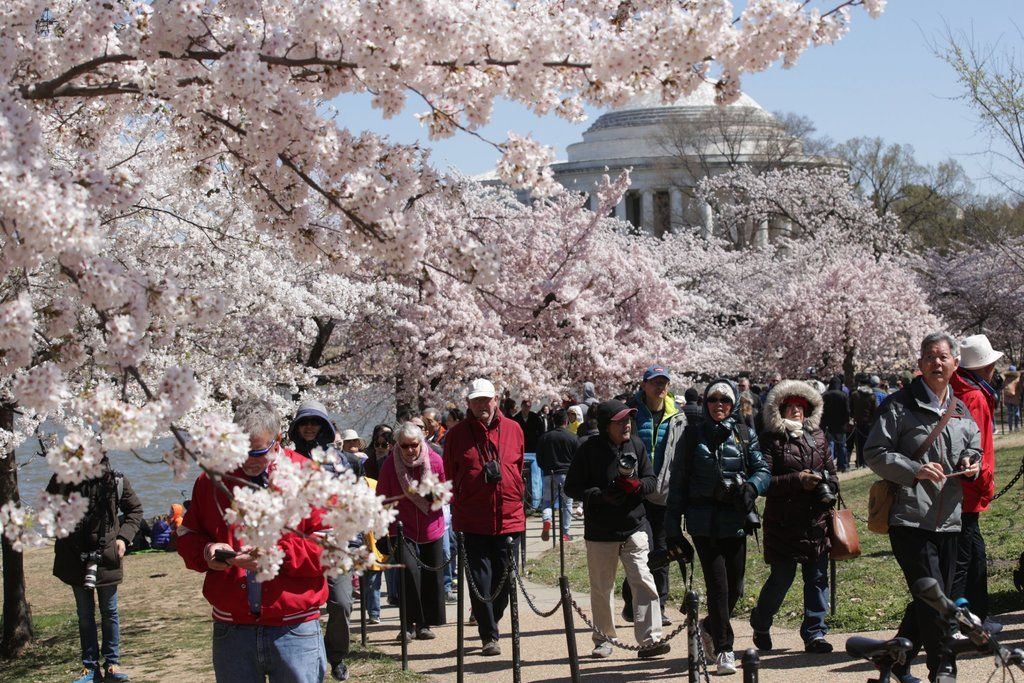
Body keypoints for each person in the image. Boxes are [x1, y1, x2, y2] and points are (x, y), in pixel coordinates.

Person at [177, 399, 329, 683]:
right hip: (232, 627)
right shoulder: (211, 479)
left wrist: (276, 554)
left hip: (294, 626)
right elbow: (187, 536)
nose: (247, 460)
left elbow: (331, 549)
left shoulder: (309, 476)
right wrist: (207, 550)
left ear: (278, 441)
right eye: (240, 450)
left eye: (257, 452)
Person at [865, 332, 982, 683]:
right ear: (920, 364)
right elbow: (875, 452)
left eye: (944, 356)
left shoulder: (959, 408)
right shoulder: (900, 405)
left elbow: (973, 443)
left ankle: (893, 658)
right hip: (909, 518)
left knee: (935, 597)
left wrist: (971, 460)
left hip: (949, 519)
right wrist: (915, 471)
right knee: (935, 599)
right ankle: (943, 669)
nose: (937, 362)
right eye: (930, 357)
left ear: (955, 364)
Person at [666, 379, 770, 676]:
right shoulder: (692, 436)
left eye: (725, 399)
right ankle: (725, 648)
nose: (719, 404)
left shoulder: (744, 434)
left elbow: (762, 468)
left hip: (735, 520)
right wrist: (672, 528)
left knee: (735, 586)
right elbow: (678, 484)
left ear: (734, 401)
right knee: (718, 585)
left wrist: (752, 486)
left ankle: (709, 625)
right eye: (713, 399)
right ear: (706, 402)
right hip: (702, 521)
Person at [564, 399, 670, 660]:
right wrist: (600, 496)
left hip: (635, 526)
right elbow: (571, 487)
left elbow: (651, 480)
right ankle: (604, 639)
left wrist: (637, 487)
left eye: (629, 419)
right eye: (620, 421)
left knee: (644, 581)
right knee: (602, 587)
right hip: (600, 532)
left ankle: (650, 640)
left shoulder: (636, 443)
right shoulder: (588, 449)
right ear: (605, 425)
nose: (627, 424)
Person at [750, 380, 837, 654]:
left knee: (817, 578)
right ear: (780, 410)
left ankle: (815, 633)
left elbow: (834, 476)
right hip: (782, 522)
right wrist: (797, 480)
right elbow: (764, 482)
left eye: (801, 406)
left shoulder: (819, 437)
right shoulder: (769, 440)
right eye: (791, 406)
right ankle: (761, 622)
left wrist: (825, 483)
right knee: (781, 579)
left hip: (816, 521)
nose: (797, 411)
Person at [442, 377, 525, 656]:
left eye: (486, 400)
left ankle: (491, 616)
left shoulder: (514, 429)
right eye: (476, 401)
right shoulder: (456, 435)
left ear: (496, 400)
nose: (482, 406)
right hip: (472, 518)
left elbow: (518, 467)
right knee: (479, 579)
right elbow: (450, 476)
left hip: (509, 516)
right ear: (468, 404)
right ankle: (489, 635)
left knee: (505, 579)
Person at [49, 458, 143, 683]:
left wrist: (123, 538)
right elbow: (49, 506)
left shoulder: (115, 480)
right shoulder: (64, 478)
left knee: (110, 612)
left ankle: (112, 664)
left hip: (107, 556)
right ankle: (89, 668)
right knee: (84, 614)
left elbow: (135, 510)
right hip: (74, 557)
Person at [287, 400, 361, 681]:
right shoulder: (285, 461)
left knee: (341, 602)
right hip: (298, 544)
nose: (309, 428)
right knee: (304, 607)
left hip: (337, 543)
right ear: (296, 427)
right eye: (304, 423)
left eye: (314, 423)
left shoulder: (343, 460)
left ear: (324, 427)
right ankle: (307, 658)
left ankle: (337, 655)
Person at [621, 364, 687, 626]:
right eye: (655, 382)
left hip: (665, 493)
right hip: (636, 493)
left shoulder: (677, 416)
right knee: (639, 550)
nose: (660, 387)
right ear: (644, 385)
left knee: (661, 549)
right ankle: (631, 598)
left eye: (664, 383)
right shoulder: (632, 414)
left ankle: (659, 604)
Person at [950, 334, 1004, 632]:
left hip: (958, 489)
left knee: (970, 555)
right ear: (987, 367)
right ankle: (964, 619)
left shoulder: (957, 389)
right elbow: (979, 447)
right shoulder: (975, 397)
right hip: (969, 488)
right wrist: (986, 485)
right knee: (966, 560)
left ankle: (976, 616)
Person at [376, 422, 448, 641]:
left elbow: (446, 493)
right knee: (409, 575)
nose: (409, 450)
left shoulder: (435, 461)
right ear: (398, 445)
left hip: (431, 526)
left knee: (430, 577)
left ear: (421, 443)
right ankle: (407, 624)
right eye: (404, 446)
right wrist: (382, 530)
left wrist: (434, 496)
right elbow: (382, 498)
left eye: (414, 445)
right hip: (402, 528)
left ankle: (424, 624)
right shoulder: (390, 465)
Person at [536, 409, 578, 541]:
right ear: (566, 421)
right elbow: (577, 458)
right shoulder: (572, 437)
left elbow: (539, 458)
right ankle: (565, 532)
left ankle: (547, 520)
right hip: (566, 474)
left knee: (547, 502)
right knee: (567, 503)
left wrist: (546, 468)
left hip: (549, 474)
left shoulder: (545, 437)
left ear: (553, 421)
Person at [821, 376, 851, 472]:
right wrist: (846, 421)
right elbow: (847, 411)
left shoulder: (825, 395)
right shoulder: (843, 395)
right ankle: (843, 466)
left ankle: (830, 467)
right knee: (842, 446)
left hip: (828, 425)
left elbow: (822, 411)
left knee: (830, 445)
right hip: (841, 425)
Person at [850, 373, 878, 469]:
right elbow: (875, 411)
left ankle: (859, 461)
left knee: (858, 444)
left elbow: (851, 408)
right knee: (867, 443)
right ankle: (866, 461)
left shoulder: (855, 395)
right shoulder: (871, 396)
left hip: (857, 422)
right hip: (868, 423)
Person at [1004, 365, 1021, 432]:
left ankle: (1010, 429)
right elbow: (1020, 388)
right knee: (1016, 413)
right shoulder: (1017, 378)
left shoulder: (1006, 378)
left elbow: (1004, 389)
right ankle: (1016, 427)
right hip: (1015, 398)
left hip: (1008, 399)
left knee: (1010, 414)